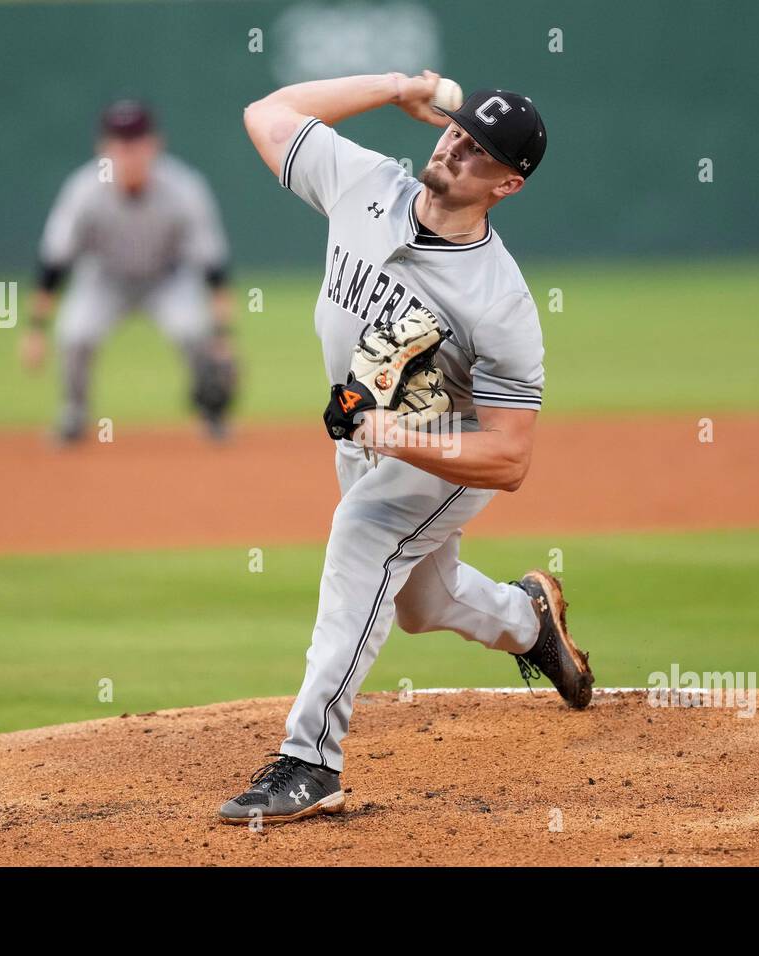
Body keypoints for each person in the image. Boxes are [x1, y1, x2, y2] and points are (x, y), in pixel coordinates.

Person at [219, 72, 594, 826]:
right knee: (424, 602)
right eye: (458, 131)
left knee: (362, 536)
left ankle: (310, 761)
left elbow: (510, 459)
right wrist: (396, 86)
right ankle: (529, 623)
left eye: (481, 151)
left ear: (507, 185)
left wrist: (397, 435)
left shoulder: (499, 301)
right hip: (364, 438)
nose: (458, 148)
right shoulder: (365, 183)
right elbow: (266, 113)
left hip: (442, 453)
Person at [20, 99, 237, 442]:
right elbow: (54, 263)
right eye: (120, 142)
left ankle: (212, 416)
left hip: (167, 279)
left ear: (155, 144)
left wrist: (224, 337)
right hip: (103, 279)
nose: (129, 151)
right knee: (75, 335)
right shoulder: (83, 190)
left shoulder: (184, 187)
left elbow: (213, 267)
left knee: (196, 333)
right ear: (103, 147)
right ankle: (74, 415)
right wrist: (35, 330)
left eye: (137, 141)